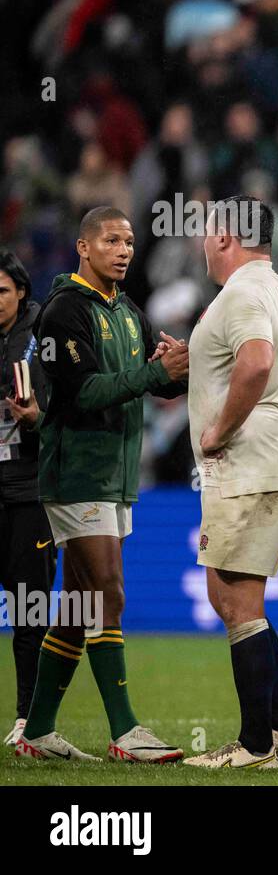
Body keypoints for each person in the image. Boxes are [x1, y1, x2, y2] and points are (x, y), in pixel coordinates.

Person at [16, 207, 188, 762]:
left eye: (130, 241)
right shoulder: (64, 311)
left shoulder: (129, 312)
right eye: (111, 240)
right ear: (83, 248)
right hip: (76, 473)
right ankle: (125, 731)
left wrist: (167, 368)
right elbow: (84, 392)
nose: (123, 250)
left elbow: (143, 385)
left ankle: (37, 732)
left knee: (79, 605)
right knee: (108, 592)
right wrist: (154, 375)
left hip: (115, 475)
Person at [181, 196, 278, 769]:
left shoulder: (239, 292)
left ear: (224, 238)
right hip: (272, 455)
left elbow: (256, 362)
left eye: (207, 232)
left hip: (247, 462)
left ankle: (256, 745)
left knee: (238, 602)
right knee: (231, 595)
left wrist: (218, 431)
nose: (202, 242)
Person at [0, 251, 54, 747]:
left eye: (1, 291)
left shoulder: (43, 342)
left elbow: (63, 409)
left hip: (28, 494)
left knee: (29, 612)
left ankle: (29, 722)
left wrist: (36, 416)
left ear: (20, 293)